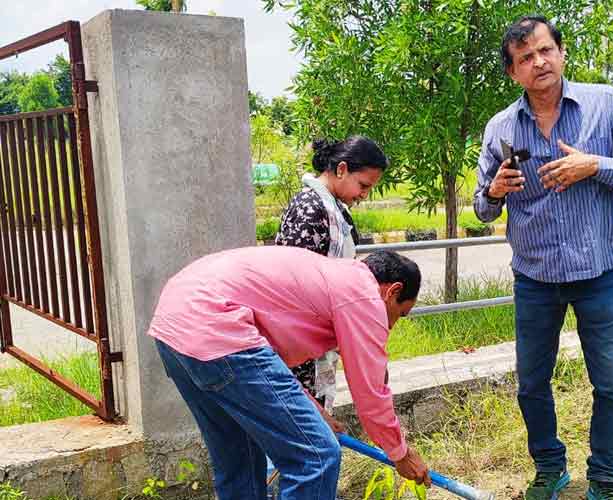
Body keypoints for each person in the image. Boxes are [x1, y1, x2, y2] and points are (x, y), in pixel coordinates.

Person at [473, 15, 613, 500]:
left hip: (600, 271)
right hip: (535, 278)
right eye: (525, 59)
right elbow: (481, 208)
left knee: (611, 384)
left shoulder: (605, 105)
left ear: (561, 52)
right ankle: (549, 469)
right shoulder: (500, 128)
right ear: (513, 73)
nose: (538, 63)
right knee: (532, 383)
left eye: (544, 51)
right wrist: (493, 191)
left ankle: (605, 480)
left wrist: (593, 165)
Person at [147, 247, 432, 500]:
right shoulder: (365, 297)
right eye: (400, 314)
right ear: (392, 291)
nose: (392, 325)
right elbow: (370, 393)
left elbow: (265, 364)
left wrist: (312, 409)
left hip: (174, 328)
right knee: (317, 456)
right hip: (215, 327)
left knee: (239, 459)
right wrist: (401, 453)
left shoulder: (334, 276)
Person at [276, 135, 388, 411]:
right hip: (297, 339)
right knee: (301, 425)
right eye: (363, 185)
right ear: (341, 170)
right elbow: (293, 286)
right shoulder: (310, 209)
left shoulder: (334, 208)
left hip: (317, 337)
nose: (364, 195)